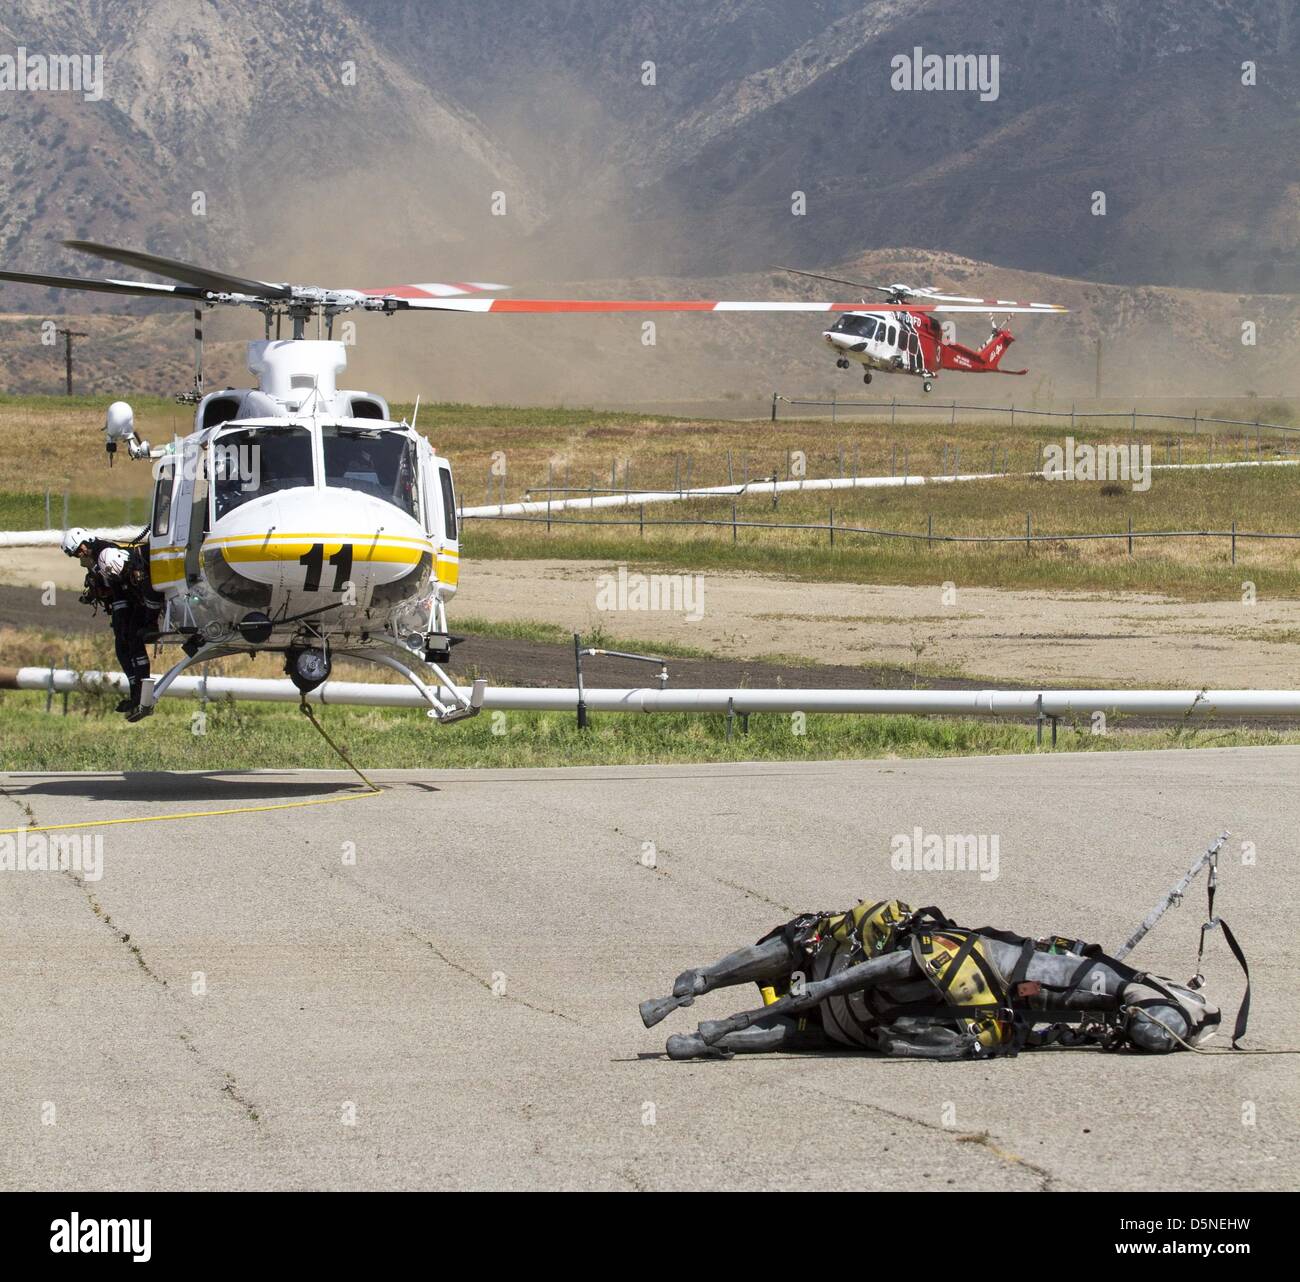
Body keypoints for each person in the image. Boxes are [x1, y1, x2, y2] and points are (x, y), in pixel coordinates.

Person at [62, 527, 162, 721]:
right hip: (124, 596)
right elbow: (113, 586)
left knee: (132, 639)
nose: (79, 555)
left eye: (79, 550)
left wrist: (149, 623)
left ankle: (140, 691)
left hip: (135, 599)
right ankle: (136, 691)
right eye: (76, 554)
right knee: (122, 644)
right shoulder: (99, 558)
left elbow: (147, 595)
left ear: (85, 541)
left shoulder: (112, 557)